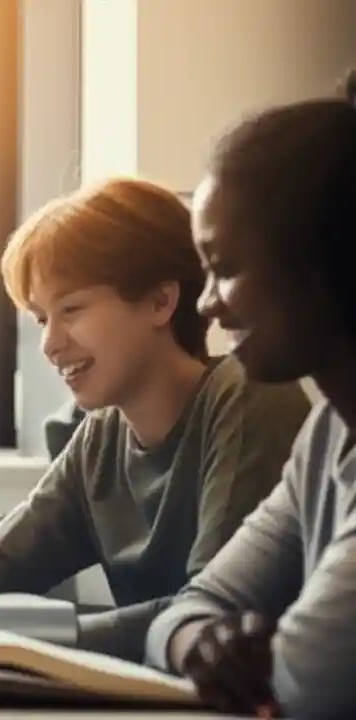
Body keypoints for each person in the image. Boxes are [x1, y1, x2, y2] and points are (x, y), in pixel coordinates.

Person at [0, 177, 312, 663]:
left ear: (160, 302)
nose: (50, 343)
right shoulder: (101, 436)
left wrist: (19, 640)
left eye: (72, 309)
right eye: (43, 318)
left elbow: (210, 611)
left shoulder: (246, 395)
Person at [145, 73, 356, 719]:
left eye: (225, 267)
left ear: (320, 261)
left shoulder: (261, 411)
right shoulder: (326, 437)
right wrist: (201, 642)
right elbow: (189, 607)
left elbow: (305, 683)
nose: (206, 303)